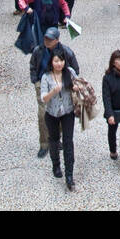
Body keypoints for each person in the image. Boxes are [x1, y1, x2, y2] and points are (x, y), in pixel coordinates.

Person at [29, 26, 78, 159]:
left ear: (57, 40)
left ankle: (56, 138)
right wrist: (36, 82)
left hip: (61, 86)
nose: (47, 41)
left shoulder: (66, 52)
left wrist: (69, 83)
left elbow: (75, 68)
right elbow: (33, 66)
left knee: (61, 113)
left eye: (50, 39)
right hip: (43, 84)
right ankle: (45, 145)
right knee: (43, 115)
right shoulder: (38, 50)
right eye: (46, 38)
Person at [40, 52, 77, 190]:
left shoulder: (70, 72)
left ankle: (69, 174)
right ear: (51, 62)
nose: (59, 63)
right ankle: (55, 165)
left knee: (68, 142)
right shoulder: (46, 77)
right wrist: (53, 92)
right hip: (52, 113)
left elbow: (78, 83)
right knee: (54, 140)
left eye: (61, 60)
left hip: (68, 112)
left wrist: (76, 87)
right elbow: (43, 98)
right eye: (56, 61)